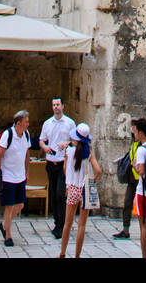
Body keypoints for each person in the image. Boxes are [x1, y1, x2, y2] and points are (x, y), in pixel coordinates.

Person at [58, 123, 102, 259]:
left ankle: (62, 253)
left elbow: (65, 169)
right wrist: (92, 182)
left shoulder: (69, 152)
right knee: (82, 225)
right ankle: (77, 255)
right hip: (85, 189)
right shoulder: (88, 154)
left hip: (73, 188)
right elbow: (99, 171)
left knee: (67, 224)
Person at [39, 96, 77, 240]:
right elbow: (42, 140)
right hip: (51, 162)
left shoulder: (70, 123)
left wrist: (66, 144)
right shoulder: (47, 123)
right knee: (54, 194)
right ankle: (57, 223)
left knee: (61, 194)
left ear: (63, 106)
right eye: (54, 104)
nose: (56, 107)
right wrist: (45, 147)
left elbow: (75, 140)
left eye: (58, 104)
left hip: (63, 163)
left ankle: (62, 224)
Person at [0, 110, 31, 246]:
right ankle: (8, 236)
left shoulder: (26, 135)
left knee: (20, 204)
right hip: (8, 176)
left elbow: (26, 155)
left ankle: (4, 224)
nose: (28, 124)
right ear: (19, 123)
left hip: (20, 176)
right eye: (26, 122)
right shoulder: (8, 135)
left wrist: (27, 172)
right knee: (9, 207)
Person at [113, 119, 142, 241]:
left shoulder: (143, 143)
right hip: (132, 179)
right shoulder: (133, 142)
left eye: (133, 126)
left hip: (141, 179)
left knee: (143, 206)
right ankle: (125, 230)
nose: (131, 128)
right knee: (127, 203)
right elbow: (131, 154)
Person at [132, 118, 146, 259]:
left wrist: (134, 165)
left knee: (143, 226)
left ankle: (144, 255)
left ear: (140, 133)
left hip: (143, 192)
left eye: (135, 132)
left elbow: (141, 171)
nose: (134, 135)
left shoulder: (141, 149)